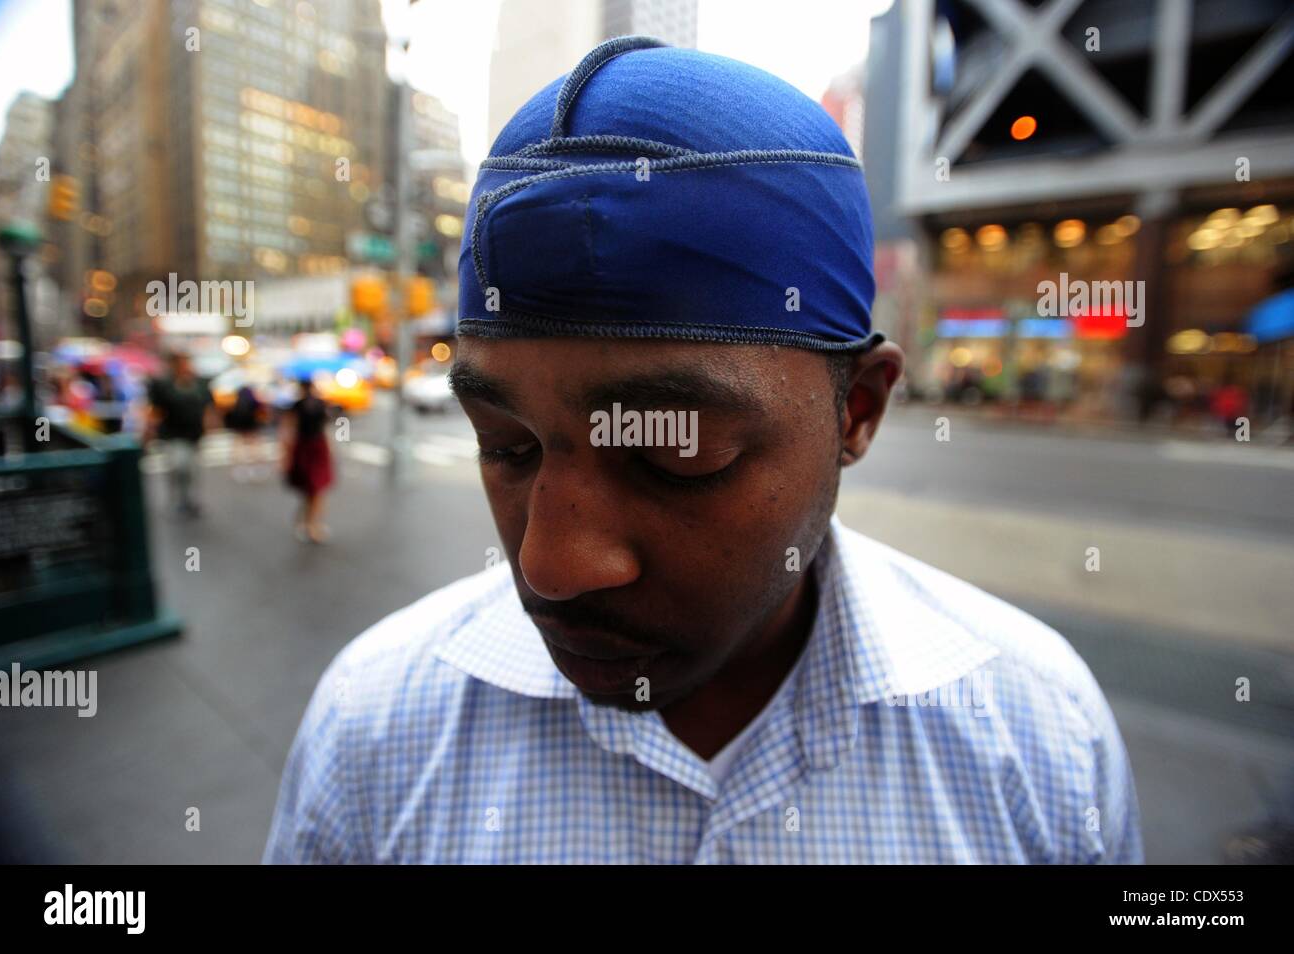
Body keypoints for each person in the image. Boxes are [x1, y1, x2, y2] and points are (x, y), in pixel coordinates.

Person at [265, 38, 1143, 864]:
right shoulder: (371, 732)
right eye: (509, 446)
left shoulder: (1038, 736)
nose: (550, 564)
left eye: (677, 454)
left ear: (857, 412)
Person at [146, 351, 215, 518]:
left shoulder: (199, 383)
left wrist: (209, 424)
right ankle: (179, 499)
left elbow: (208, 406)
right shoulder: (164, 384)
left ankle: (189, 498)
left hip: (194, 433)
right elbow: (156, 409)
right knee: (179, 465)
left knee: (191, 468)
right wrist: (149, 428)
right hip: (173, 433)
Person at [280, 376, 334, 543]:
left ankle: (309, 523)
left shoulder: (315, 404)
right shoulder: (303, 405)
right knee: (312, 490)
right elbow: (290, 429)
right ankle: (309, 524)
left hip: (311, 448)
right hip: (308, 448)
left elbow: (289, 429)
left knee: (314, 490)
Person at [224, 383, 266, 481]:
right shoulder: (251, 397)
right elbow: (260, 408)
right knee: (254, 445)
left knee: (238, 445)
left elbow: (229, 410)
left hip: (239, 424)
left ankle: (239, 468)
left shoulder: (236, 397)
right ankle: (256, 467)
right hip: (251, 423)